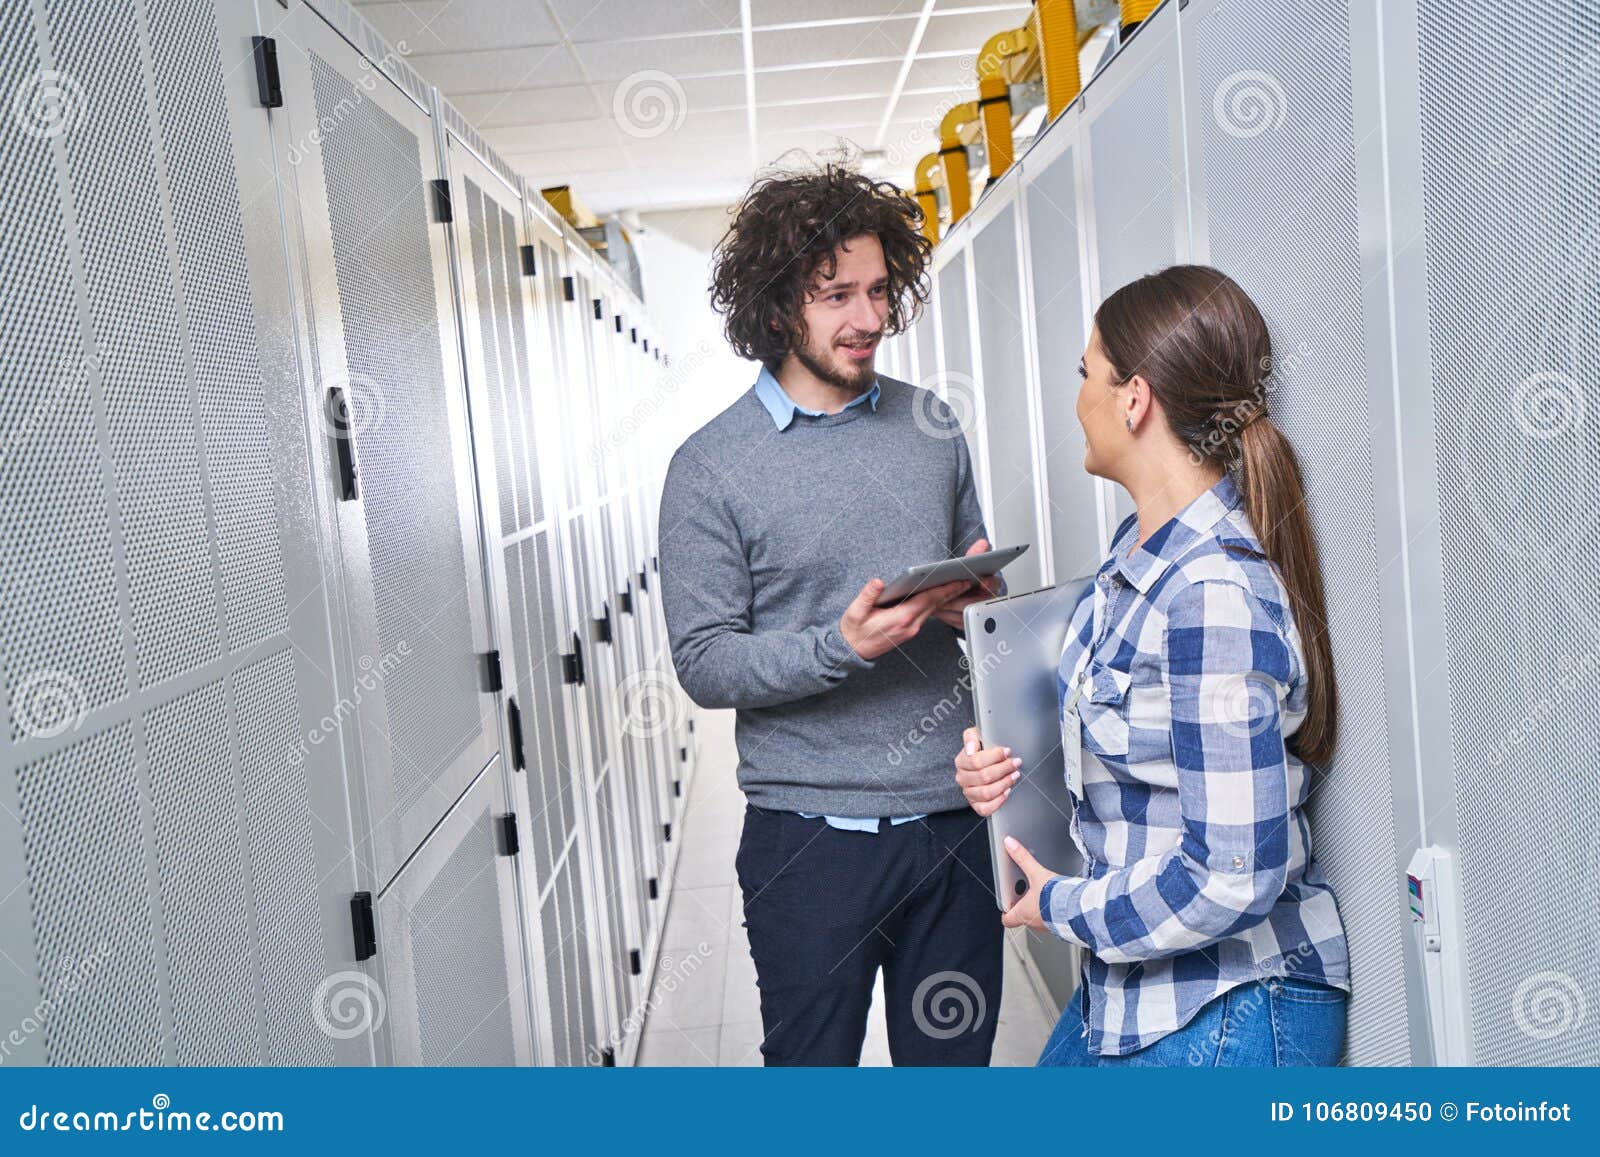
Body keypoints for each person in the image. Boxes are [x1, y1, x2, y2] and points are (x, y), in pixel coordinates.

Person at [955, 265, 1350, 1066]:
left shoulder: (1208, 593)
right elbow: (1128, 757)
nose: (1077, 401)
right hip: (1136, 982)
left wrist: (1059, 904)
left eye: (1086, 374)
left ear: (1133, 399)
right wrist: (1000, 771)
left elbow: (1234, 876)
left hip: (1232, 1000)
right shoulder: (1132, 558)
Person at [657, 160, 1006, 1066]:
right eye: (837, 295)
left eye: (880, 290)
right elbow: (703, 660)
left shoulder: (933, 425)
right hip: (807, 847)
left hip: (953, 826)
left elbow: (974, 584)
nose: (868, 319)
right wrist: (840, 646)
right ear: (778, 308)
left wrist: (975, 609)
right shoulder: (709, 467)